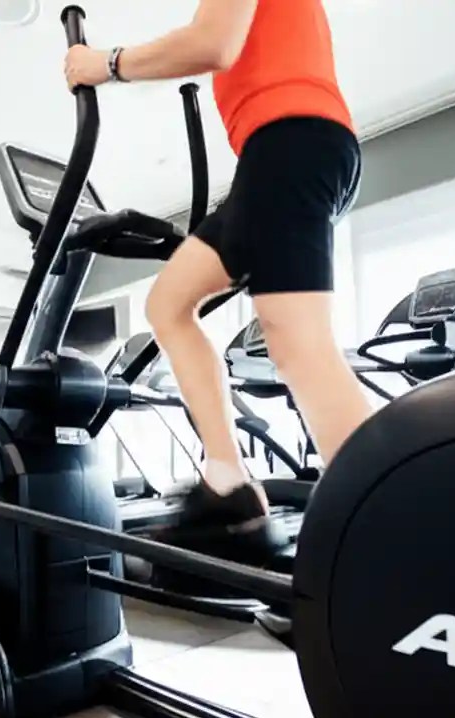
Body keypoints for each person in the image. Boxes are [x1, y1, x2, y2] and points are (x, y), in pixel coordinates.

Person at [65, 0, 372, 563]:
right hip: (276, 150)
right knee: (169, 303)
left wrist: (103, 64)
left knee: (298, 345)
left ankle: (395, 525)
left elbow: (213, 44)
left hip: (291, 140)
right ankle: (227, 481)